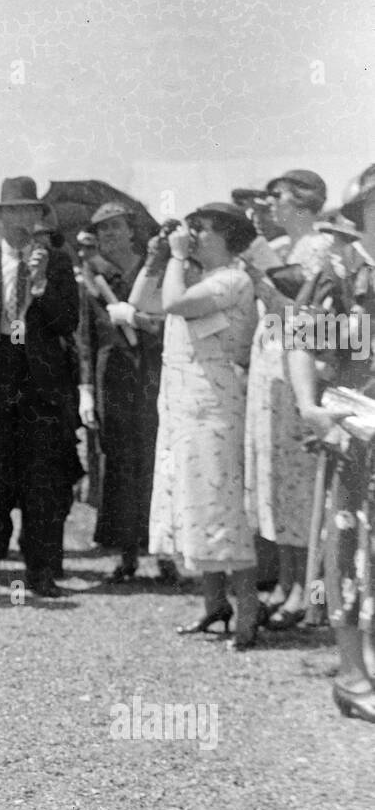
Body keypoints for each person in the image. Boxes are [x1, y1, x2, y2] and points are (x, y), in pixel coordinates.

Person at [0, 176, 81, 595]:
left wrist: (41, 287)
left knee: (41, 480)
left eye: (31, 211)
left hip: (40, 384)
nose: (23, 220)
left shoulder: (57, 263)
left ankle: (39, 570)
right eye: (15, 212)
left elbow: (68, 323)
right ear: (1, 218)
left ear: (39, 218)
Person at [134, 204, 259, 649]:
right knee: (193, 500)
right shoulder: (198, 278)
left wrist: (175, 259)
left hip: (214, 402)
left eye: (202, 231)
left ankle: (247, 610)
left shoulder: (232, 279)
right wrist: (155, 260)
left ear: (227, 237)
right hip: (184, 400)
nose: (193, 238)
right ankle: (213, 603)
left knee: (222, 505)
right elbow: (142, 303)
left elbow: (172, 304)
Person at [287, 214, 375, 720]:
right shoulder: (341, 277)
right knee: (349, 545)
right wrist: (309, 406)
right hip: (359, 429)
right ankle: (350, 673)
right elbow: (299, 338)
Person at [243, 170, 332, 630]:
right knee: (275, 478)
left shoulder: (318, 247)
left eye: (275, 196)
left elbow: (299, 313)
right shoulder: (283, 249)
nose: (269, 204)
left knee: (297, 481)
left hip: (292, 366)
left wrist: (264, 273)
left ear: (300, 201)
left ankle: (303, 589)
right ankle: (283, 579)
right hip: (270, 366)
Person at [76, 201, 164, 583]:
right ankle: (127, 552)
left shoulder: (154, 268)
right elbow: (85, 339)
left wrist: (137, 320)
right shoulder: (93, 276)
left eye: (116, 227)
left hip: (154, 376)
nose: (109, 235)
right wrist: (86, 391)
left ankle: (164, 552)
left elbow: (169, 320)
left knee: (157, 463)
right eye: (102, 229)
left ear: (131, 230)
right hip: (112, 381)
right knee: (121, 466)